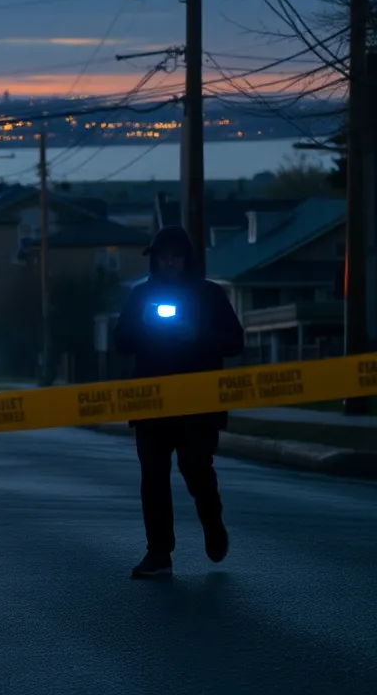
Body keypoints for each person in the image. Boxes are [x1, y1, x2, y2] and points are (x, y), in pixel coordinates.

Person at [113, 225, 244, 579]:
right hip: (151, 402)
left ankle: (212, 524)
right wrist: (144, 328)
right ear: (155, 259)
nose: (170, 262)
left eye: (176, 255)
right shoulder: (141, 296)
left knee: (196, 468)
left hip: (198, 402)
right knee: (153, 477)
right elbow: (120, 341)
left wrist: (196, 336)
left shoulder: (210, 295)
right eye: (163, 256)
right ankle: (159, 554)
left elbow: (235, 341)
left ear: (187, 258)